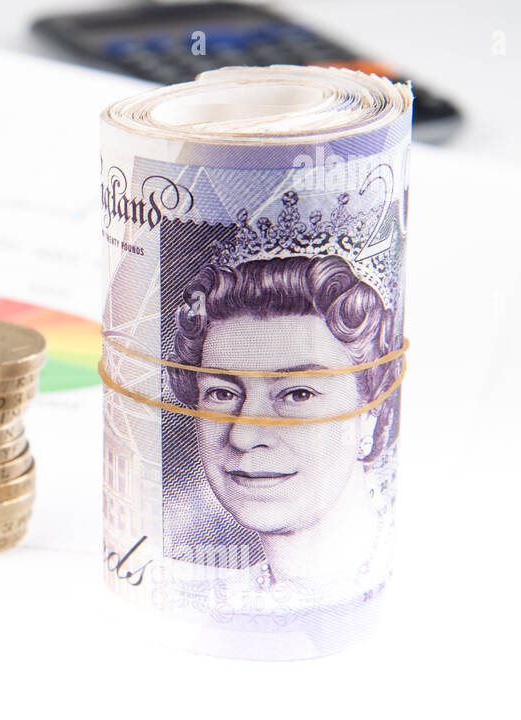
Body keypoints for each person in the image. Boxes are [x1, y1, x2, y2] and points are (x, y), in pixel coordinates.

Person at [166, 254, 400, 593]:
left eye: (298, 395)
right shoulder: (215, 596)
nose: (243, 434)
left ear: (372, 412)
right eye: (221, 393)